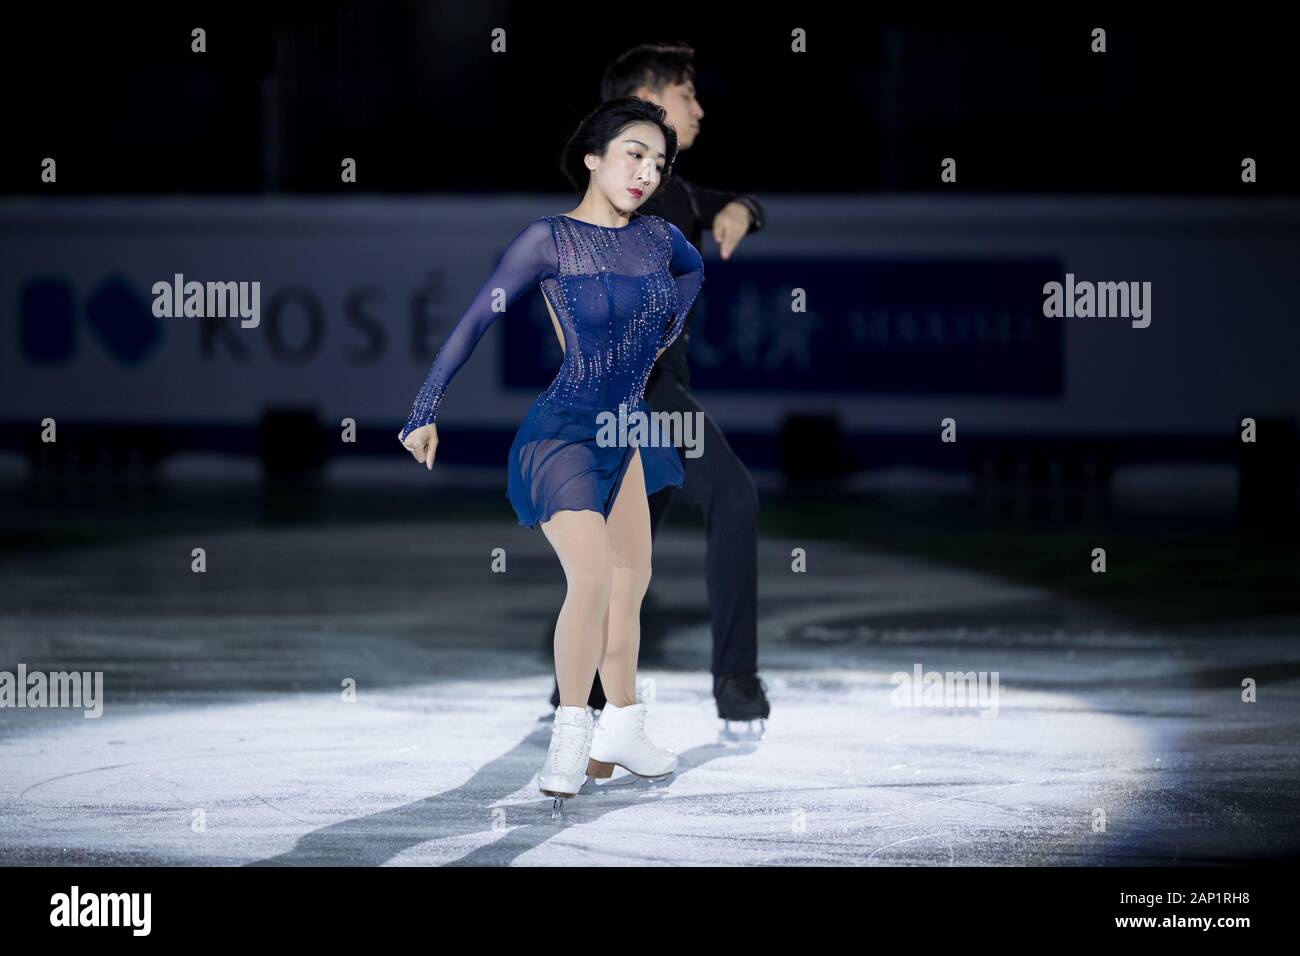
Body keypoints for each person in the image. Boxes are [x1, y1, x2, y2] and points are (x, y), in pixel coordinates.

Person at [398, 98, 703, 811]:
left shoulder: (659, 239)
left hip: (626, 430)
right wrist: (423, 410)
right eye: (634, 154)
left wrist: (665, 335)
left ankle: (623, 724)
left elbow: (693, 274)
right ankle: (572, 730)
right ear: (592, 157)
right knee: (593, 576)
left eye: (659, 163)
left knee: (635, 576)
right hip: (564, 430)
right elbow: (477, 318)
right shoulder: (549, 240)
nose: (647, 172)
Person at [546, 42, 771, 728]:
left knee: (627, 547)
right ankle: (735, 680)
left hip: (641, 391)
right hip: (639, 392)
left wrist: (742, 210)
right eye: (685, 95)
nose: (698, 108)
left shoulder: (668, 189)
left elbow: (715, 200)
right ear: (646, 107)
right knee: (734, 499)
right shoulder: (633, 198)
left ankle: (572, 691)